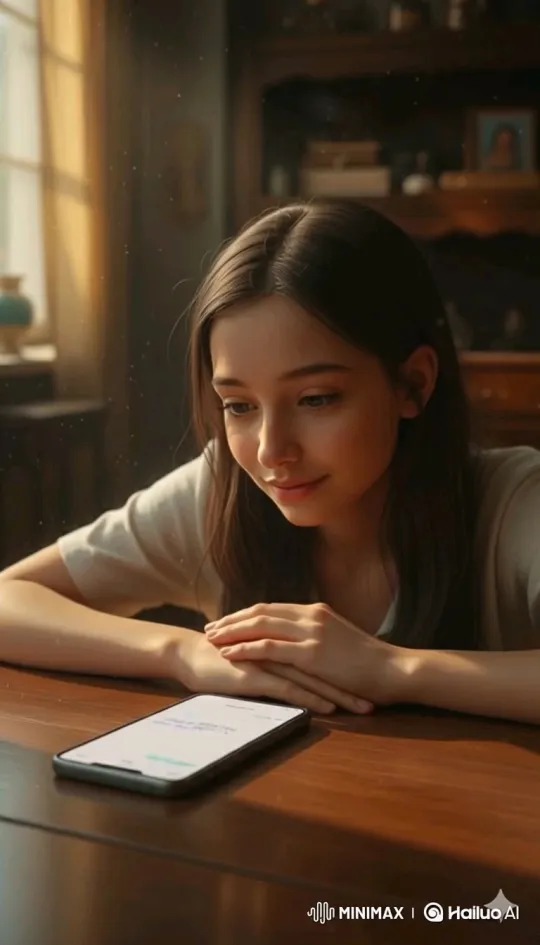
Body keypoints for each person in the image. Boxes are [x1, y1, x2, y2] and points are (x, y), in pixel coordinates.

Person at [1, 200, 540, 725]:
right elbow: (9, 601)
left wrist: (396, 669)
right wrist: (180, 653)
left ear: (413, 384)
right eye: (238, 406)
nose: (270, 450)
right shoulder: (221, 492)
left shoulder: (512, 502)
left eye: (316, 399)